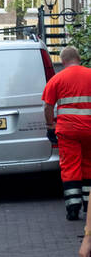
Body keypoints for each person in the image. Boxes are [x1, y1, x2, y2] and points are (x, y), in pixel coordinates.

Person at [42, 44, 91, 221]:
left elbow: (48, 106)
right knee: (88, 165)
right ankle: (88, 205)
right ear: (79, 58)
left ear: (63, 61)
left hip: (68, 130)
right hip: (89, 129)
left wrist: (50, 126)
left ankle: (73, 207)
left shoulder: (57, 79)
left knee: (70, 166)